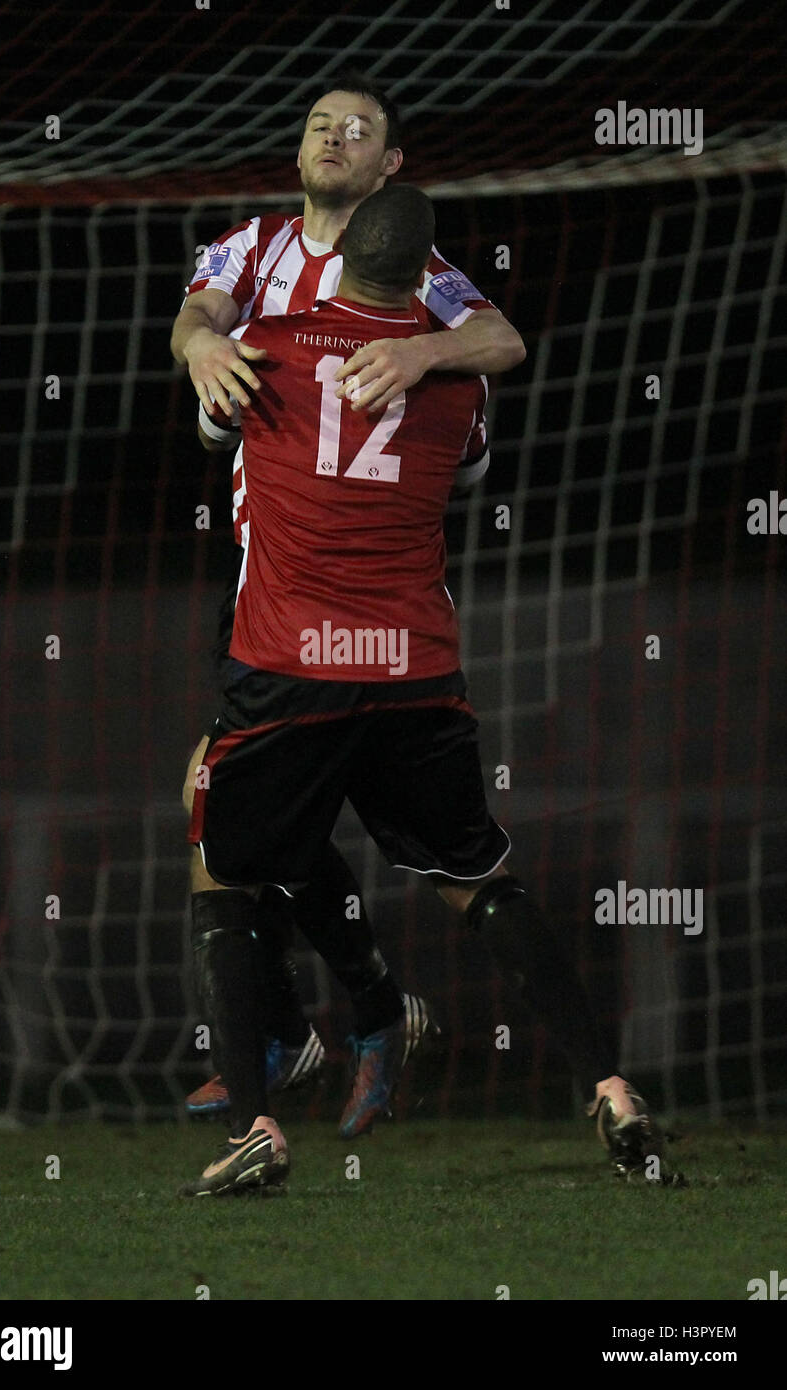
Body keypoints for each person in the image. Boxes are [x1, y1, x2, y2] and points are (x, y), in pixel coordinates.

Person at [178, 184, 664, 1197]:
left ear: (342, 246)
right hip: (412, 675)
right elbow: (477, 420)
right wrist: (430, 352)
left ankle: (260, 1116)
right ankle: (610, 1086)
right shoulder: (458, 391)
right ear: (428, 276)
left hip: (289, 669)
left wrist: (202, 351)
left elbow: (215, 403)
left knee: (221, 871)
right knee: (480, 881)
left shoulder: (263, 344)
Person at [171, 72, 526, 1136]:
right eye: (319, 124)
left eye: (357, 128)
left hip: (356, 578)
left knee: (223, 802)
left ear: (389, 167)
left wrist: (421, 348)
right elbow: (201, 307)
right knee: (246, 805)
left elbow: (500, 339)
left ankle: (308, 1031)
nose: (333, 137)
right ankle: (342, 1018)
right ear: (299, 151)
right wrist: (197, 345)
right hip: (260, 553)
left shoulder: (413, 268)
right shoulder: (255, 245)